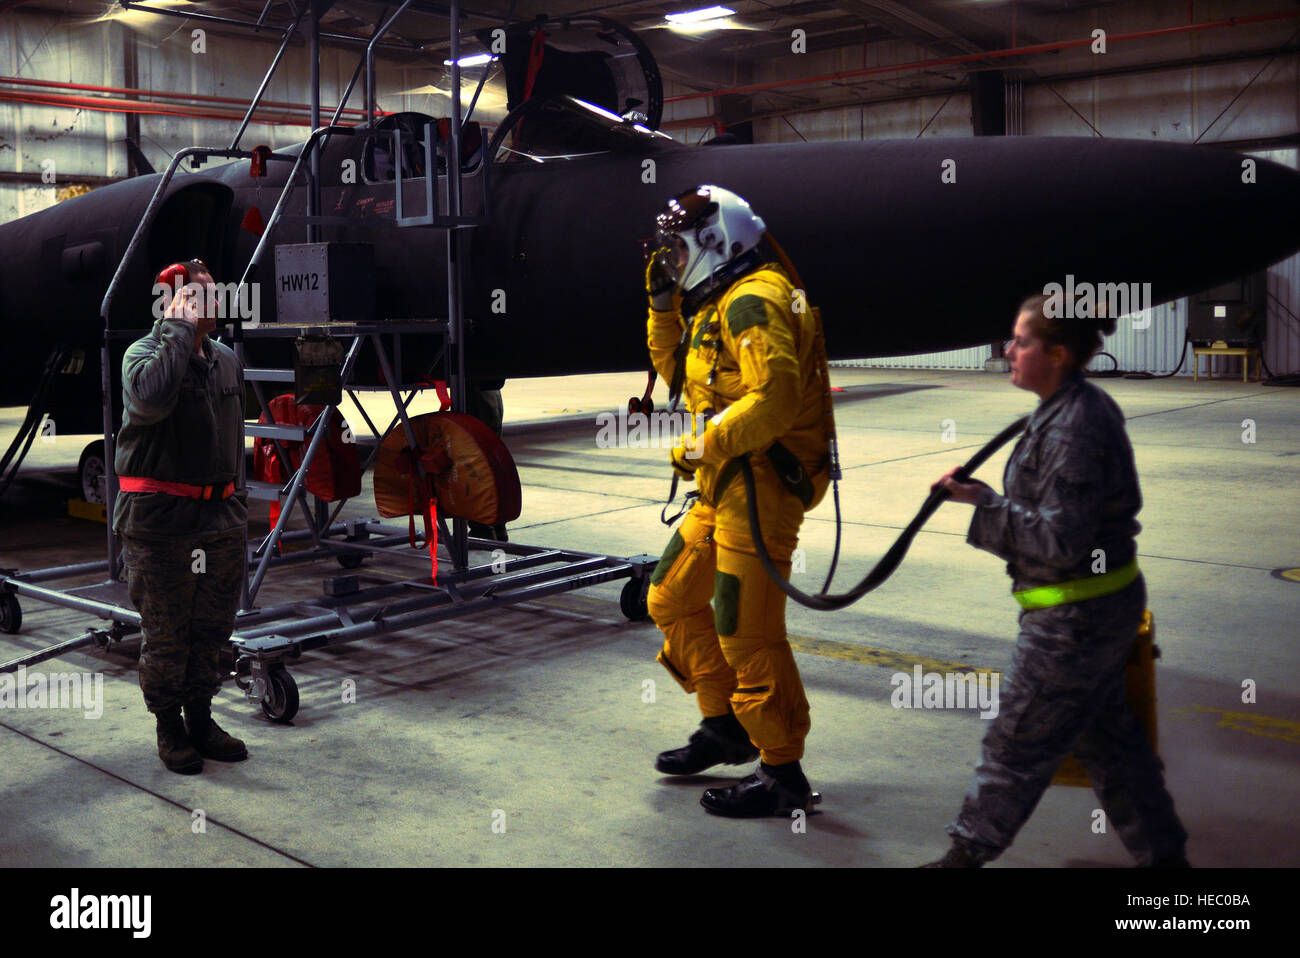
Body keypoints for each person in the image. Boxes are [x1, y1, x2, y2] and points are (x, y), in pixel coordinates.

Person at [924, 293, 1188, 866]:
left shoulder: (1073, 426)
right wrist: (979, 499)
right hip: (1094, 609)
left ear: (1059, 353)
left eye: (1022, 340)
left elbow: (1062, 542)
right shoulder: (1068, 408)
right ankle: (1170, 868)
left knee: (1015, 742)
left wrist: (989, 507)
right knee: (1112, 748)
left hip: (1074, 620)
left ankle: (964, 857)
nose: (1008, 350)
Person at [644, 185, 830, 817]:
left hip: (763, 485)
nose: (672, 262)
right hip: (728, 480)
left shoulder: (754, 300)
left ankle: (782, 775)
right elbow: (678, 377)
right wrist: (661, 306)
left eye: (676, 253)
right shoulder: (718, 302)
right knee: (669, 598)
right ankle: (726, 726)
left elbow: (773, 399)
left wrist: (703, 448)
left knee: (745, 631)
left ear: (714, 242)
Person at [115, 260, 249, 774]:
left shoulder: (227, 361)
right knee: (167, 633)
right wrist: (176, 330)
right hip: (162, 525)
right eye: (203, 295)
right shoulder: (143, 356)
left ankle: (201, 717)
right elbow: (150, 400)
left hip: (219, 519)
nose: (217, 301)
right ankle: (168, 726)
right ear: (174, 302)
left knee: (212, 630)